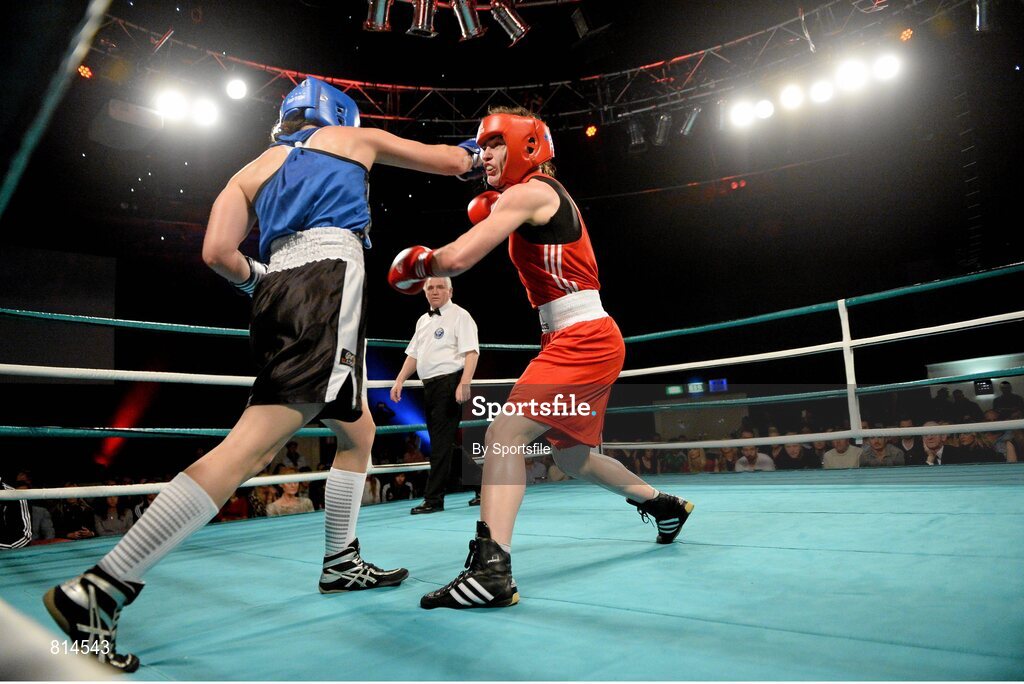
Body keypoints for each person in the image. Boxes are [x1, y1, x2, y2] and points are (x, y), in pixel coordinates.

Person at [43, 77, 484, 671]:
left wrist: (269, 281)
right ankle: (100, 588)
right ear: (338, 116)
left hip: (274, 288)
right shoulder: (352, 141)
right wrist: (489, 148)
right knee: (250, 448)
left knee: (359, 433)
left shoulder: (247, 171)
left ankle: (340, 561)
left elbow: (217, 254)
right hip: (327, 284)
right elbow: (452, 161)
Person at [388, 107, 694, 610]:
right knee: (573, 458)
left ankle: (491, 570)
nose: (482, 154)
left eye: (492, 144)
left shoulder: (534, 192)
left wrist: (424, 262)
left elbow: (460, 258)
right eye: (480, 145)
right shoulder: (529, 197)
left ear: (526, 146)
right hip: (576, 337)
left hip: (583, 338)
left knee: (502, 435)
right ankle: (664, 506)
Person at [390, 277, 482, 514]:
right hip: (429, 386)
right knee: (445, 443)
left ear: (450, 290)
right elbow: (414, 355)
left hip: (449, 383)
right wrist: (399, 380)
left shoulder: (461, 316)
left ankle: (434, 499)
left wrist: (464, 382)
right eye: (430, 287)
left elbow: (472, 352)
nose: (435, 291)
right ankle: (485, 486)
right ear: (424, 292)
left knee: (440, 444)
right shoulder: (423, 321)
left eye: (440, 287)